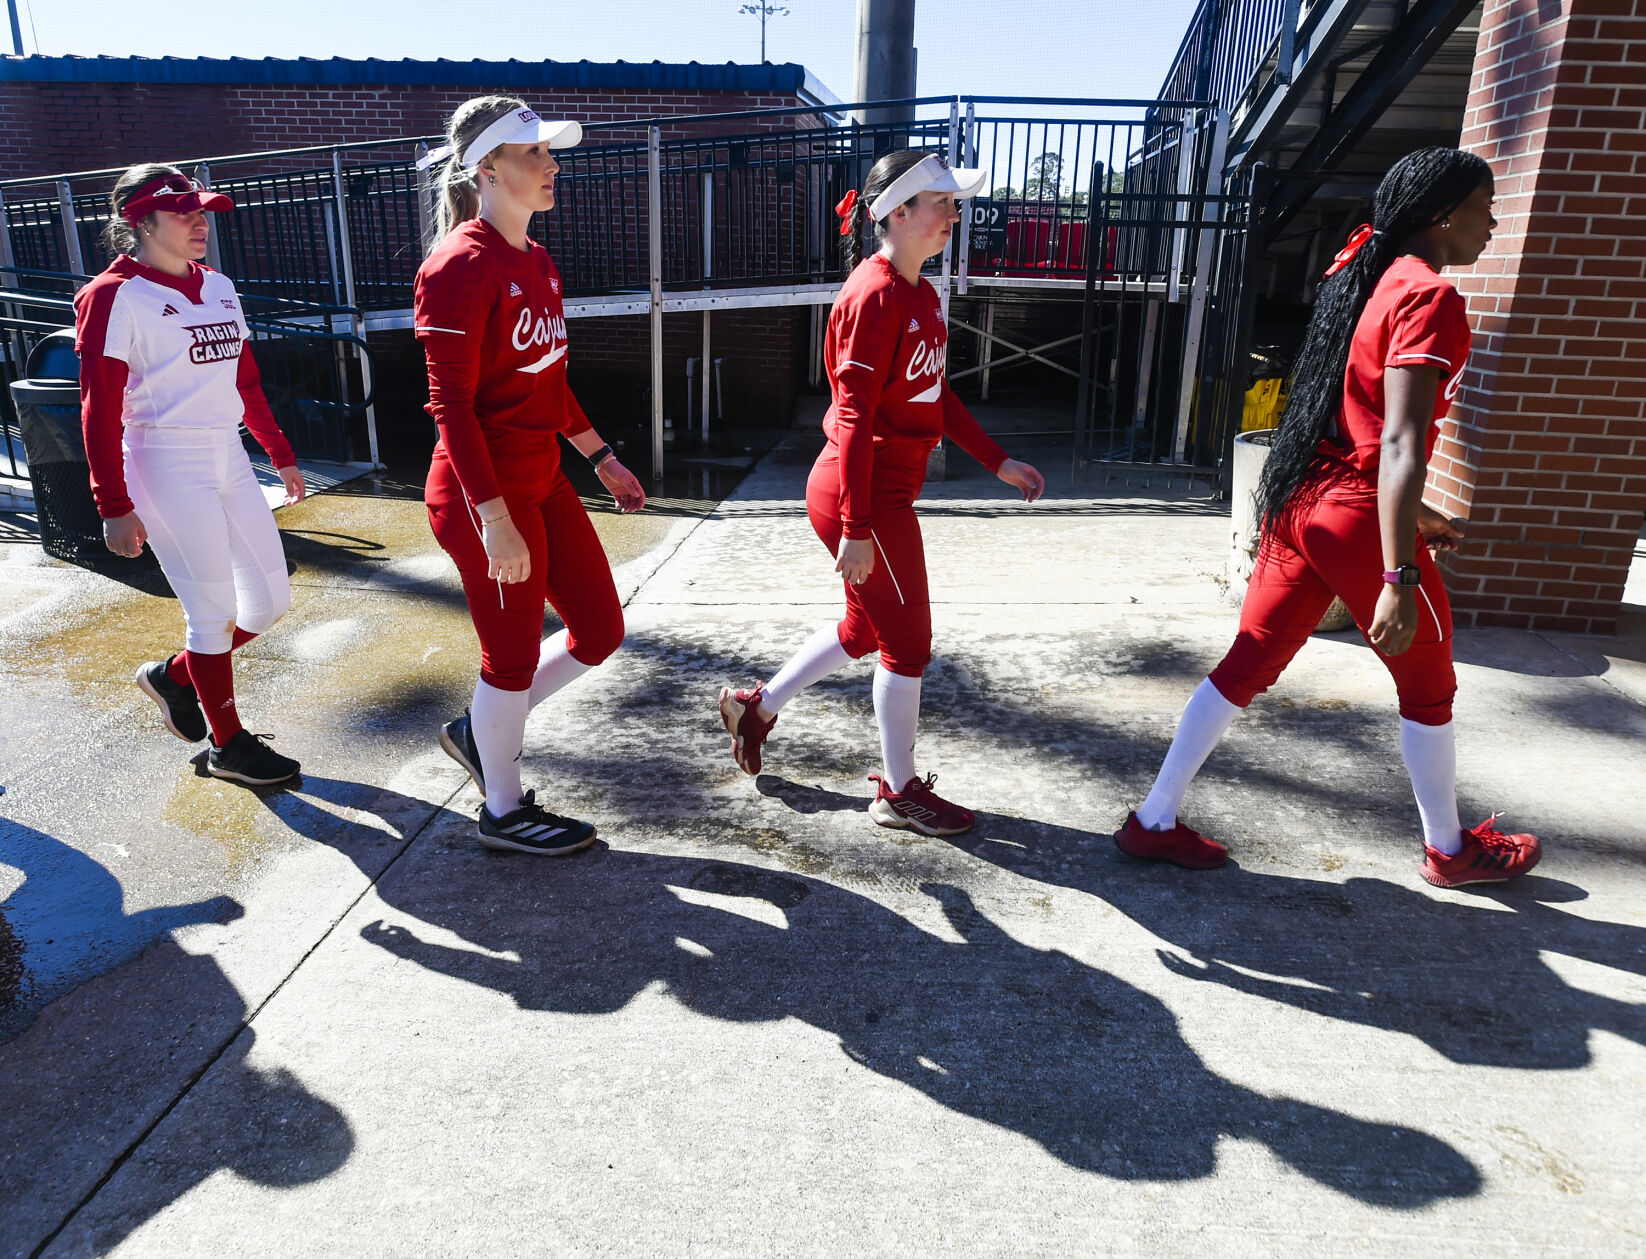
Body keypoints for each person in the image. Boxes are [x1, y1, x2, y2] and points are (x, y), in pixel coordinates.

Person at [1114, 147, 1541, 888]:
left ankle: (1153, 819)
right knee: (1429, 686)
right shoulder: (1428, 296)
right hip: (1352, 512)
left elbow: (1351, 419)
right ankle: (1449, 848)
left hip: (1303, 497)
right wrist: (1398, 573)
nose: (1495, 221)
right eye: (1485, 205)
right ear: (1442, 214)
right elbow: (1401, 441)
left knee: (1245, 663)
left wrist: (1418, 512)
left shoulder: (1367, 272)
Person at [718, 151, 1046, 836]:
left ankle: (757, 706)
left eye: (955, 202)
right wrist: (857, 526)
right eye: (942, 201)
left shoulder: (920, 292)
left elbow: (935, 392)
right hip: (861, 493)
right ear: (897, 212)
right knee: (908, 644)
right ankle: (899, 793)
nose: (954, 213)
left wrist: (997, 460)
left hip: (876, 492)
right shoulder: (873, 295)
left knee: (866, 629)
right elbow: (859, 419)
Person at [415, 95, 646, 855]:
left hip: (543, 477)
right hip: (484, 492)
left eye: (549, 151)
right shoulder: (458, 264)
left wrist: (600, 456)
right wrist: (493, 517)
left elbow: (549, 379)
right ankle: (504, 810)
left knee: (601, 628)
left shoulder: (537, 260)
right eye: (533, 153)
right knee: (509, 657)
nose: (551, 165)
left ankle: (480, 730)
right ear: (487, 168)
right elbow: (448, 404)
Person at [74, 165, 307, 786]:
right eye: (182, 212)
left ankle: (173, 677)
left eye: (201, 210)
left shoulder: (221, 286)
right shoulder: (113, 295)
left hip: (226, 455)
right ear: (139, 221)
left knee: (270, 601)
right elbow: (97, 407)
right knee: (212, 612)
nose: (198, 221)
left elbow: (245, 380)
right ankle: (228, 745)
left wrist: (278, 452)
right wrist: (112, 503)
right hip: (161, 459)